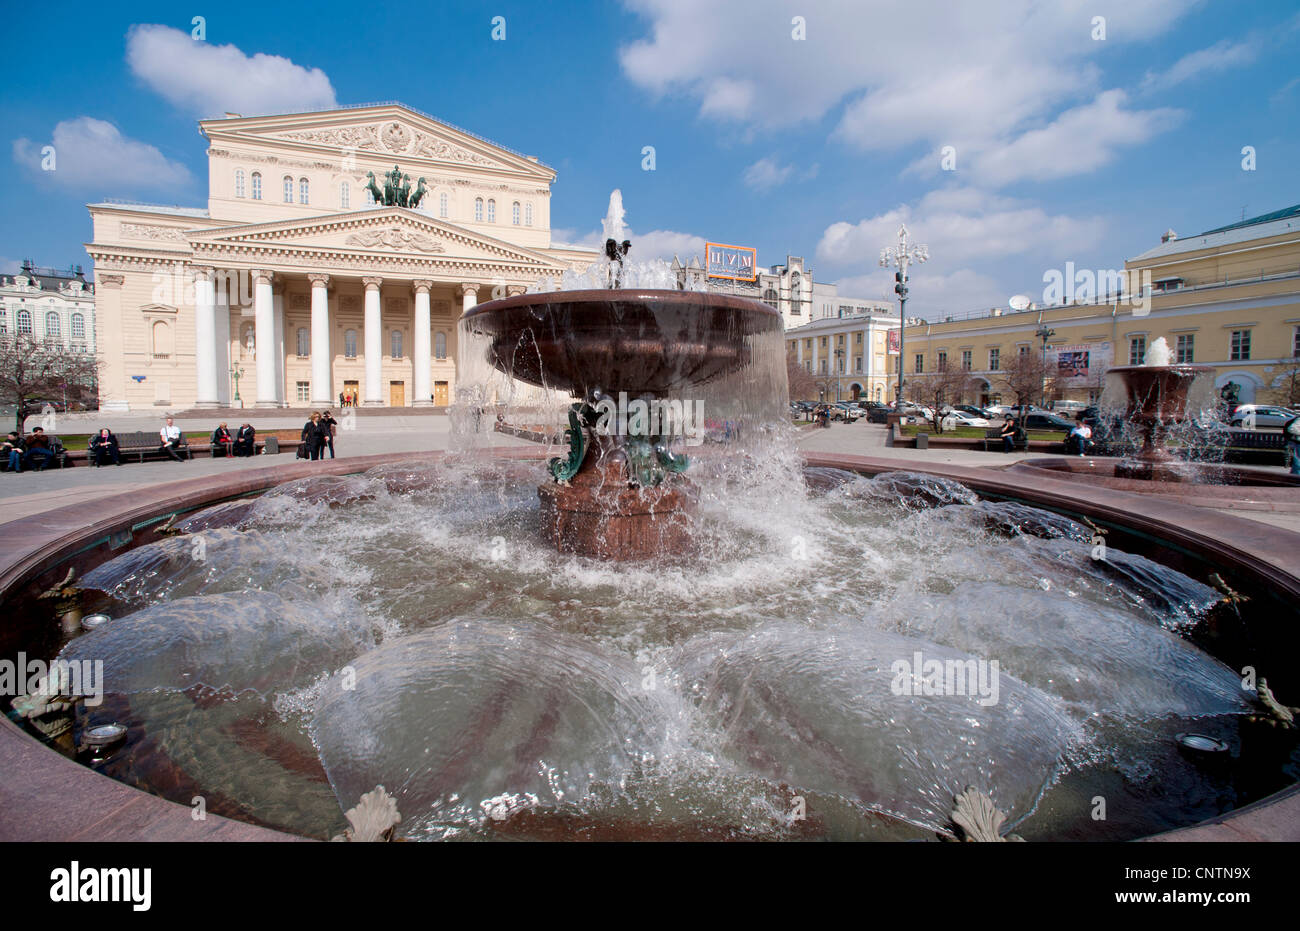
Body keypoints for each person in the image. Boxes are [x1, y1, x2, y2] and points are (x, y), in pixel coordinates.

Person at [1285, 412, 1300, 476]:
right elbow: (1291, 428)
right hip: (1297, 443)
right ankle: (1295, 480)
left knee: (1297, 463)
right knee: (1298, 463)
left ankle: (1292, 478)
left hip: (1296, 442)